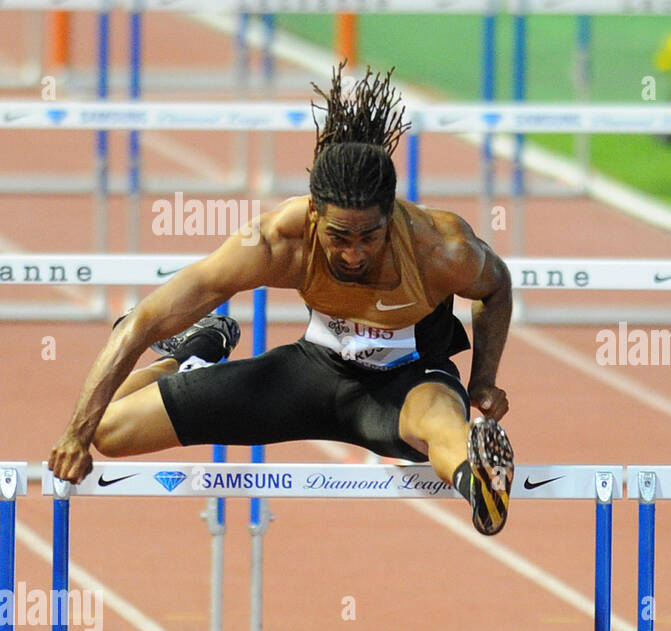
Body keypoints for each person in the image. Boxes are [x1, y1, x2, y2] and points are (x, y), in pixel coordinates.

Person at [47, 64, 515, 536]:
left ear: (392, 215)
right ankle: (193, 356)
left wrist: (484, 380)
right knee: (108, 431)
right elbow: (144, 320)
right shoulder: (276, 242)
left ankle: (479, 485)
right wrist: (75, 434)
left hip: (407, 382)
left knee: (439, 423)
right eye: (338, 237)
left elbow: (497, 287)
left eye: (370, 237)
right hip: (310, 375)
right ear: (314, 214)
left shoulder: (441, 247)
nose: (353, 253)